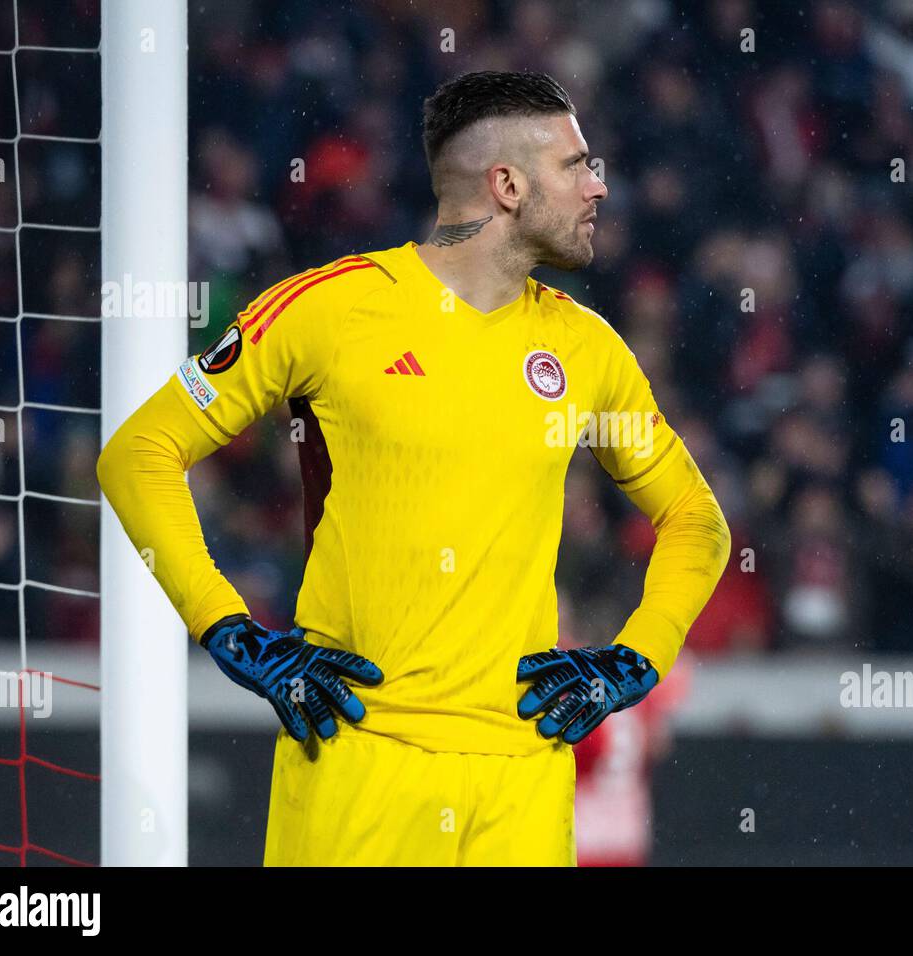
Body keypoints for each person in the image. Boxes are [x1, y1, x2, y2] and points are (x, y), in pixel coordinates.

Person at [96, 70, 731, 866]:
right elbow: (139, 453)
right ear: (506, 185)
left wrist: (635, 660)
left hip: (526, 774)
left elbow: (697, 521)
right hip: (360, 754)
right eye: (577, 165)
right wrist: (229, 631)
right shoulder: (330, 309)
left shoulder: (588, 349)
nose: (599, 186)